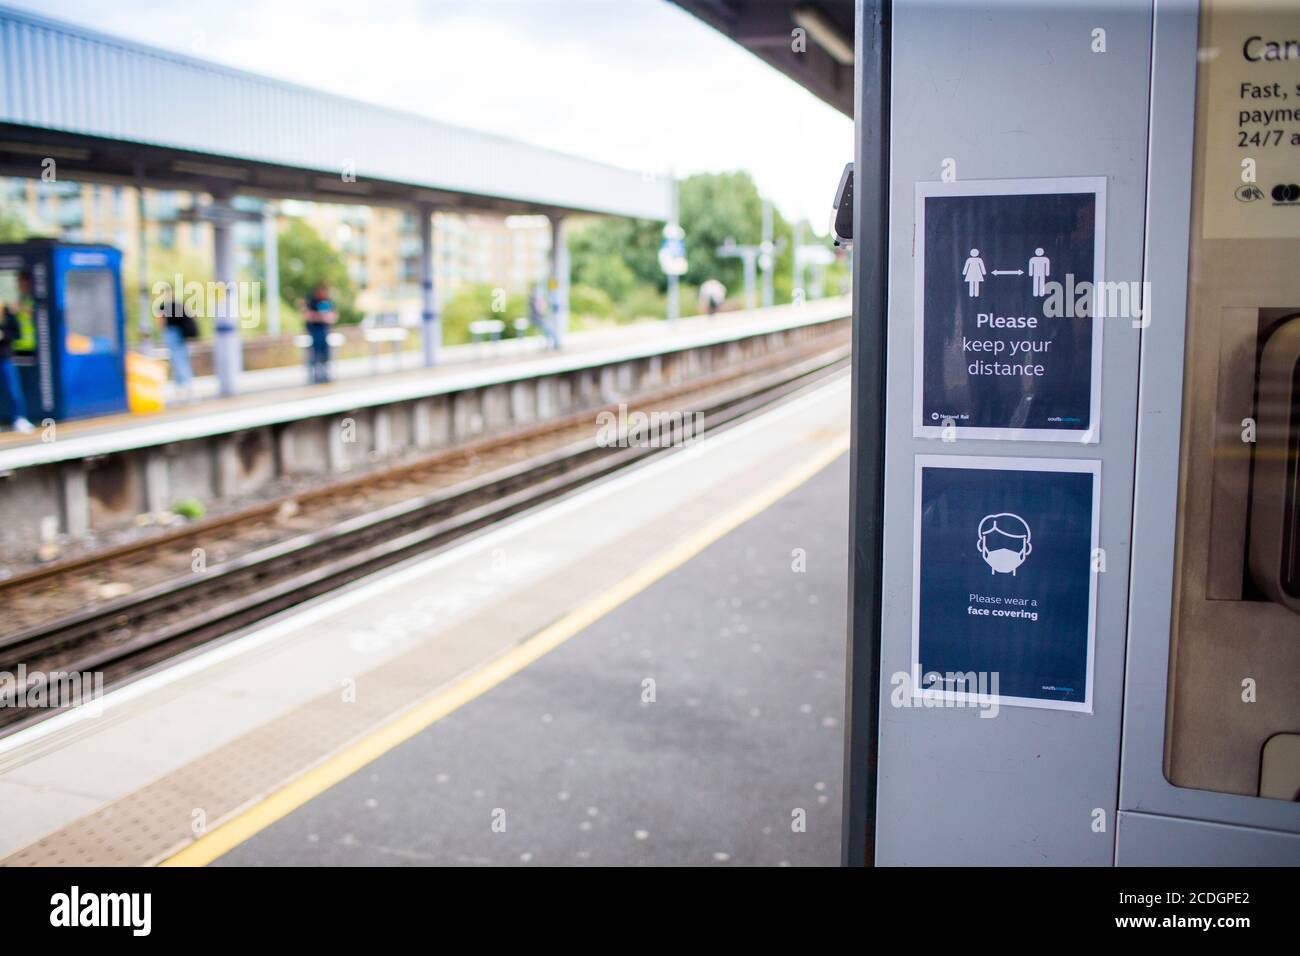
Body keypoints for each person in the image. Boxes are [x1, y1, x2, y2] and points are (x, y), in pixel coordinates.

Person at [0, 272, 35, 433]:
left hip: (5, 355)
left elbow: (16, 332)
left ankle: (19, 418)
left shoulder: (7, 311)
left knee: (12, 388)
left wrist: (3, 335)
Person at [156, 284, 199, 402]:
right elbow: (193, 315)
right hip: (181, 335)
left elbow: (160, 322)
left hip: (171, 335)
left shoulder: (163, 306)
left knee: (177, 362)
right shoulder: (179, 304)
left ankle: (184, 390)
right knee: (182, 360)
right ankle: (185, 389)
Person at [303, 284, 337, 384]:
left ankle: (325, 374)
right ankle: (316, 375)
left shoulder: (328, 302)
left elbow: (333, 316)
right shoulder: (312, 302)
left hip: (325, 332)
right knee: (315, 354)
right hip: (315, 332)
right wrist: (321, 317)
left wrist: (321, 317)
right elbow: (308, 316)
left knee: (325, 354)